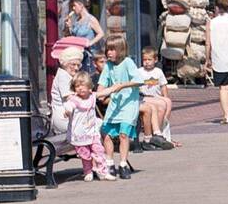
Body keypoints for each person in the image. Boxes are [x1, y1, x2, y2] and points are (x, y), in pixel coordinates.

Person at [97, 36, 145, 176]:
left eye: (112, 50)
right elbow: (102, 84)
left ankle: (123, 164)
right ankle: (110, 163)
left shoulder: (128, 62)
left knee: (124, 134)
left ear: (120, 50)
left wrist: (122, 85)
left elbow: (139, 80)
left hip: (129, 104)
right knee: (106, 132)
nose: (109, 53)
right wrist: (97, 94)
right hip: (115, 105)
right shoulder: (108, 66)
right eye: (108, 50)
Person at [63, 72, 116, 181]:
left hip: (92, 131)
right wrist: (67, 112)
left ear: (89, 87)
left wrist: (114, 88)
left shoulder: (92, 96)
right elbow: (69, 107)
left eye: (83, 85)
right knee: (85, 155)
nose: (80, 89)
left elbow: (103, 92)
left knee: (99, 151)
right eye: (77, 86)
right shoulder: (74, 99)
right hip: (79, 133)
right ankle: (88, 171)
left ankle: (103, 172)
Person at [136, 47, 176, 150]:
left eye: (149, 60)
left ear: (155, 60)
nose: (147, 62)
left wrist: (165, 97)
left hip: (156, 97)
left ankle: (160, 129)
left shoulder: (158, 71)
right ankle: (156, 134)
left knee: (167, 102)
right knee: (162, 105)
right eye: (144, 60)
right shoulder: (139, 71)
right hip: (144, 97)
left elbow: (163, 86)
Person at [49, 46, 84, 148]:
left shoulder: (68, 76)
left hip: (71, 117)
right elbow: (70, 98)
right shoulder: (63, 76)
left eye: (78, 65)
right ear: (65, 64)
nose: (76, 68)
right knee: (95, 126)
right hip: (63, 118)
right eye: (73, 64)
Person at [65, 0, 105, 73]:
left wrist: (90, 43)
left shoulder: (91, 19)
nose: (73, 8)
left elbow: (101, 33)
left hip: (89, 55)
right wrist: (69, 27)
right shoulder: (77, 20)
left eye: (75, 6)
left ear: (81, 5)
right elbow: (74, 36)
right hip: (79, 53)